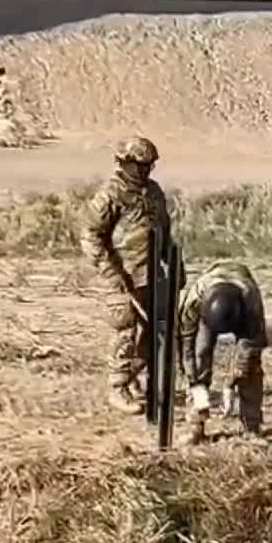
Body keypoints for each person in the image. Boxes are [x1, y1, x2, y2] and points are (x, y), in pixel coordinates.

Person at [80, 135, 182, 415]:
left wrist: (174, 266)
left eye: (150, 165)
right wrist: (111, 273)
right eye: (141, 165)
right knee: (125, 328)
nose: (147, 170)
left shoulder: (154, 192)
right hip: (121, 274)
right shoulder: (110, 195)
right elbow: (91, 236)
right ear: (125, 163)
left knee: (153, 331)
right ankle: (117, 387)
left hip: (149, 274)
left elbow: (164, 233)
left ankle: (135, 379)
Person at [177, 260, 268, 444]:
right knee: (199, 353)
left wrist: (230, 384)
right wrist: (194, 383)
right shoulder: (194, 300)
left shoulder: (251, 301)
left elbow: (249, 348)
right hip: (208, 303)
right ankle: (196, 424)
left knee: (251, 367)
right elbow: (185, 346)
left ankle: (251, 426)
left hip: (242, 305)